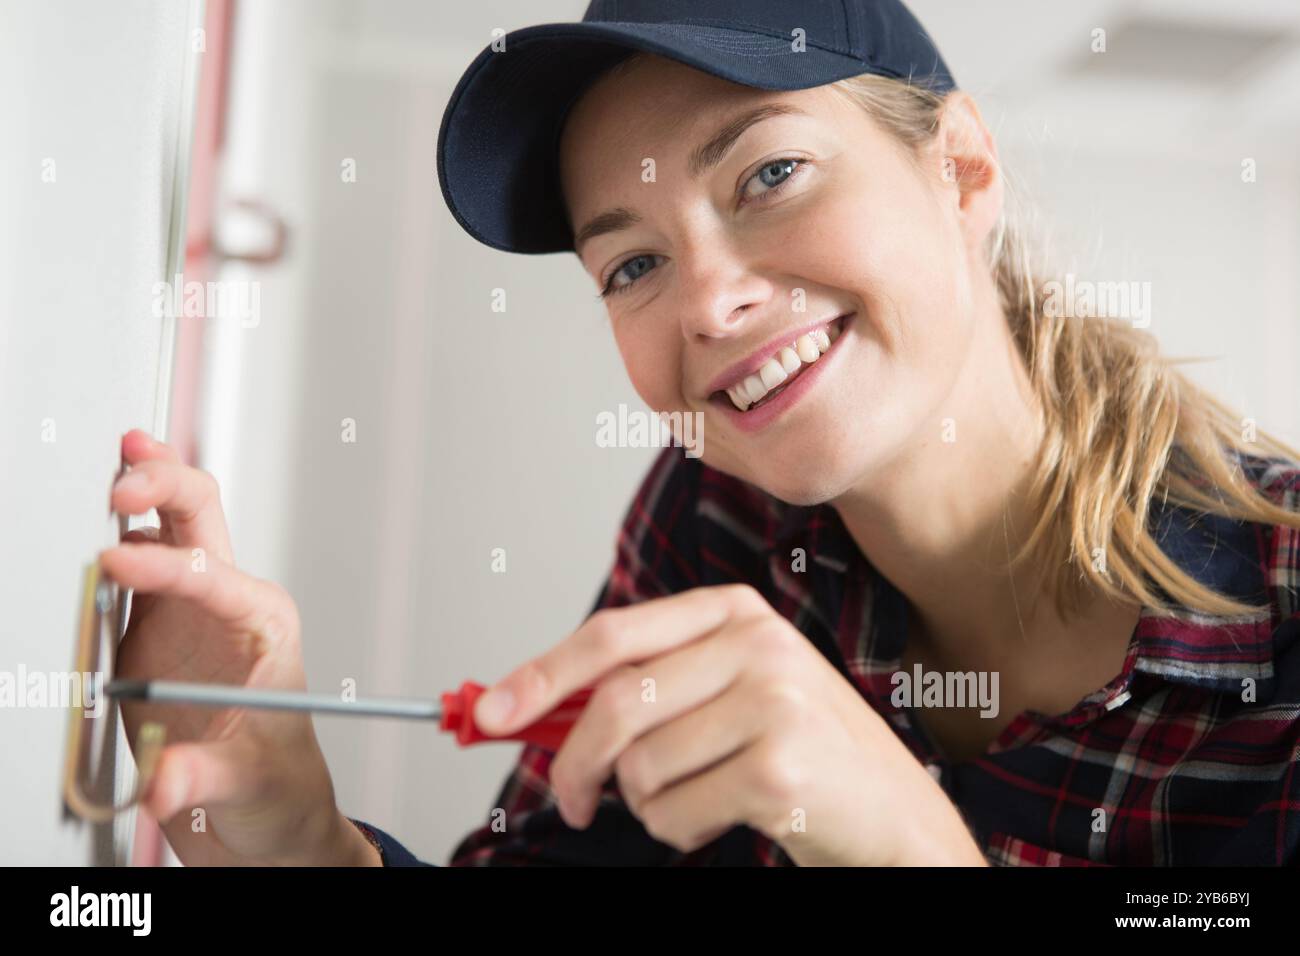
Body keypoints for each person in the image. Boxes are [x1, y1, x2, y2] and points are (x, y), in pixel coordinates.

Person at [103, 0, 1300, 866]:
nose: (708, 303)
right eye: (631, 261)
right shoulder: (715, 514)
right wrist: (295, 835)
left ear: (964, 172)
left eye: (770, 173)